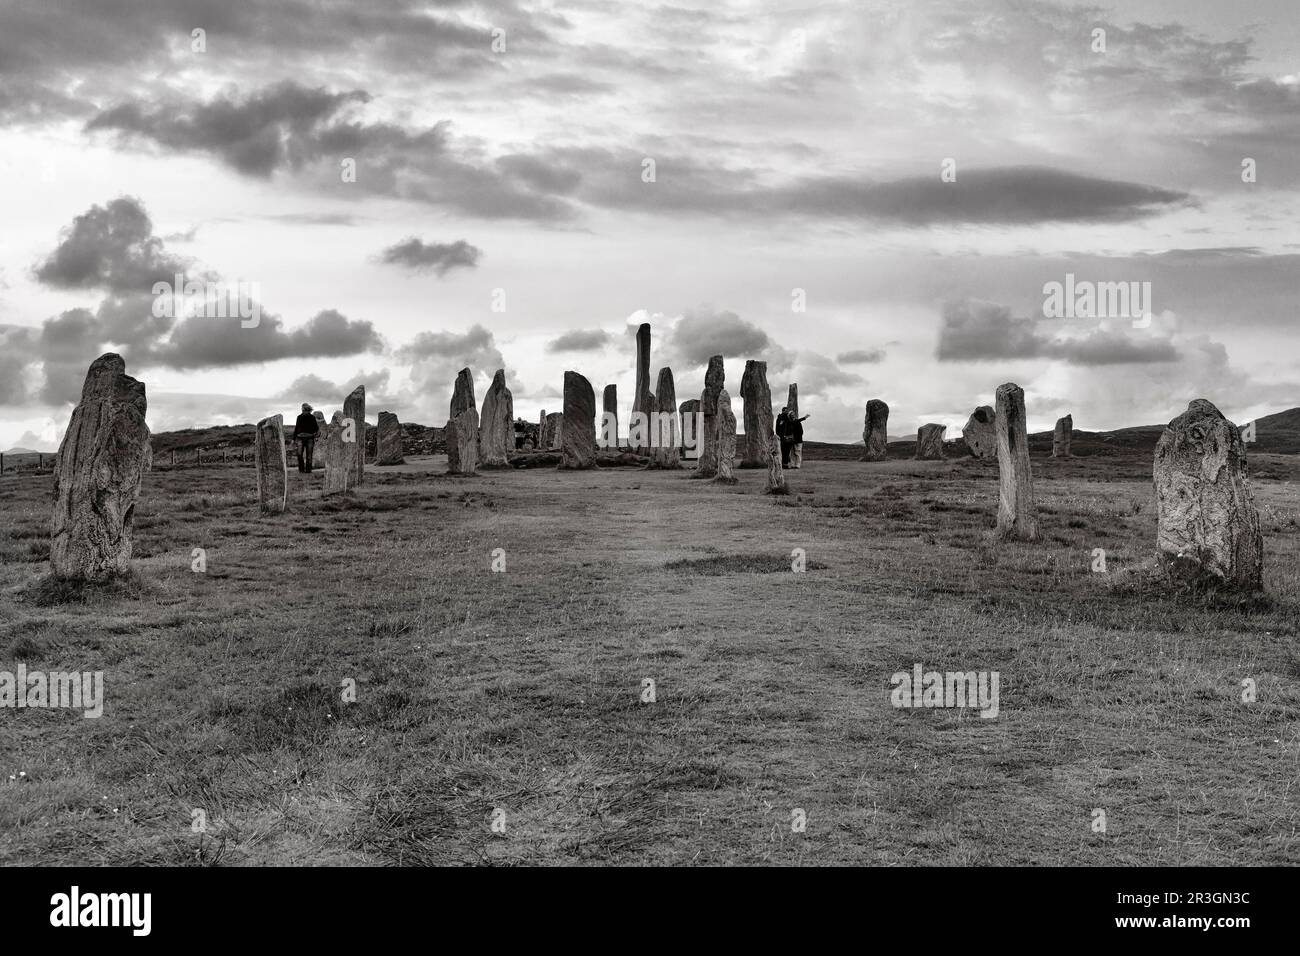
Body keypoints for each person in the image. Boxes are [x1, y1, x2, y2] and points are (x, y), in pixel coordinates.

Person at [293, 402, 319, 473]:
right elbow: (296, 428)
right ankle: (301, 469)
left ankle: (308, 470)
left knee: (309, 456)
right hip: (299, 438)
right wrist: (293, 439)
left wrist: (315, 435)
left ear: (307, 410)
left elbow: (316, 428)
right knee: (299, 454)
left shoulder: (312, 418)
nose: (303, 411)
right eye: (302, 410)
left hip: (310, 438)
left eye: (304, 410)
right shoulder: (299, 417)